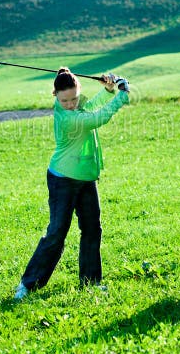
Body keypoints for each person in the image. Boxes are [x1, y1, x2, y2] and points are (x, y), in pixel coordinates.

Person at [14, 67, 130, 301]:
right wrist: (121, 97)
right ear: (55, 95)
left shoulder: (77, 107)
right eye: (65, 100)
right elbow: (97, 118)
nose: (70, 104)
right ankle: (27, 285)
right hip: (63, 179)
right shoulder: (67, 118)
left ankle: (91, 282)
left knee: (91, 229)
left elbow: (90, 107)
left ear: (78, 92)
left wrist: (108, 91)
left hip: (85, 177)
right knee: (57, 232)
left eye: (74, 98)